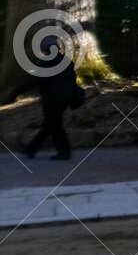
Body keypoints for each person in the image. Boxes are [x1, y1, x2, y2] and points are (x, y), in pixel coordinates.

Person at [7, 32, 82, 161]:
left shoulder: (46, 63)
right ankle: (31, 149)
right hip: (65, 98)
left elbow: (34, 80)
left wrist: (15, 93)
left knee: (54, 125)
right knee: (50, 124)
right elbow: (72, 80)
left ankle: (64, 152)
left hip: (52, 98)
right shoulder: (67, 62)